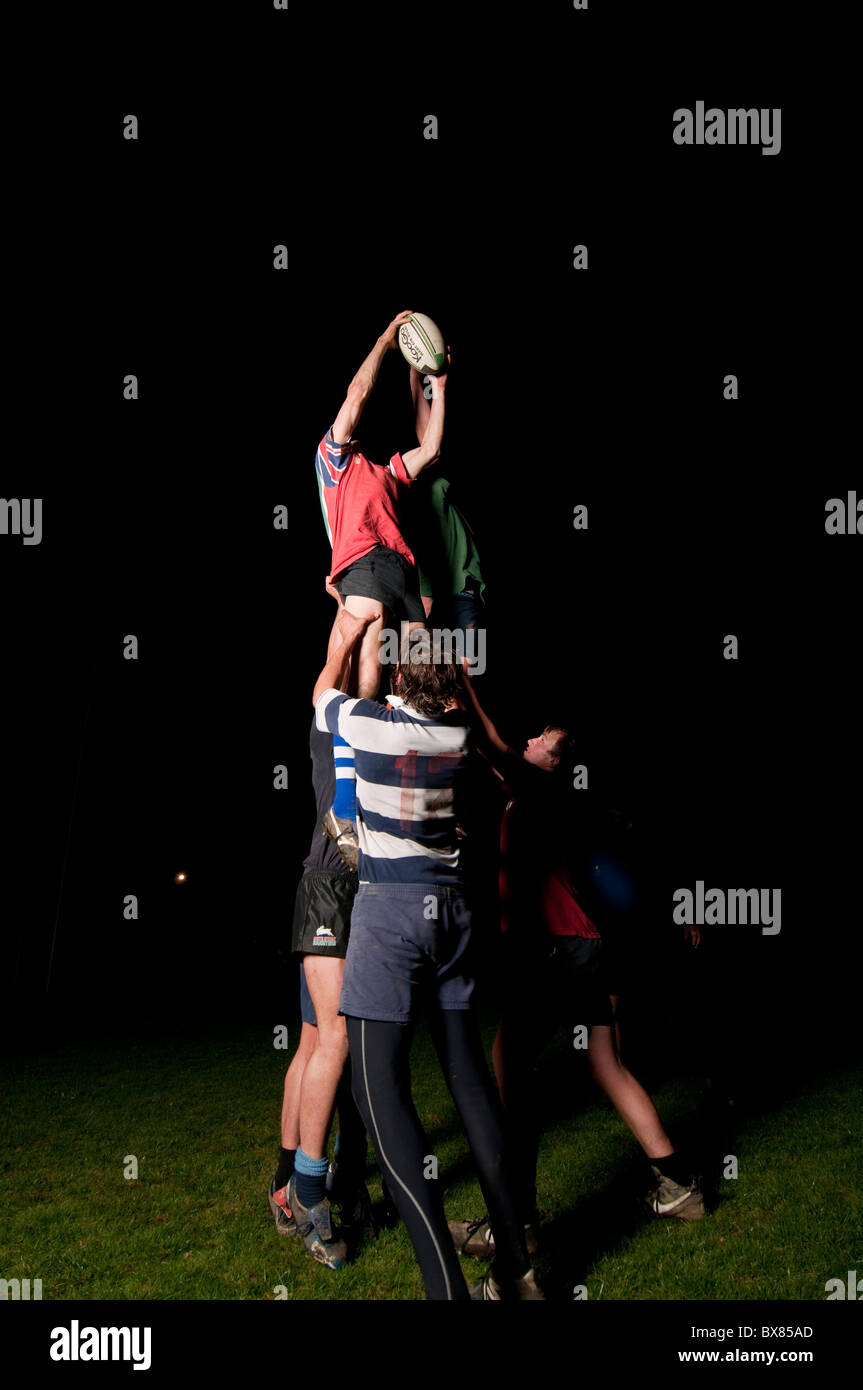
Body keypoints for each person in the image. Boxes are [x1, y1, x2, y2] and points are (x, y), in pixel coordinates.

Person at [310, 605, 543, 1300]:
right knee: (469, 1081)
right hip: (455, 918)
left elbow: (321, 691)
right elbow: (487, 728)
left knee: (377, 1090)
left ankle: (444, 1291)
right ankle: (518, 1269)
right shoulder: (458, 733)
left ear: (402, 681)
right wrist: (448, 660)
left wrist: (348, 633)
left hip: (390, 920)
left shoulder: (367, 723)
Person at [447, 675, 704, 1262]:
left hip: (556, 949)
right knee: (606, 1064)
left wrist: (463, 682)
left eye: (540, 736)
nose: (530, 737)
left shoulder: (536, 786)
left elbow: (487, 740)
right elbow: (488, 756)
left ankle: (516, 1220)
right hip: (581, 947)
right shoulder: (533, 792)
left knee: (509, 1059)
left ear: (551, 759)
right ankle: (678, 1185)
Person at [315, 313, 447, 867]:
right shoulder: (334, 460)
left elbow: (433, 446)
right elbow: (360, 390)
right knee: (363, 683)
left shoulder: (387, 471)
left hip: (404, 575)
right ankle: (348, 805)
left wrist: (437, 382)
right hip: (363, 565)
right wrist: (387, 339)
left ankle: (420, 812)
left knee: (423, 688)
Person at [269, 716, 373, 1269]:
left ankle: (336, 1177)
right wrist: (359, 625)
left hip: (363, 893)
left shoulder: (380, 723)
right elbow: (336, 676)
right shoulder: (332, 718)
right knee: (327, 1039)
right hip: (328, 889)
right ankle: (296, 1182)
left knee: (326, 1039)